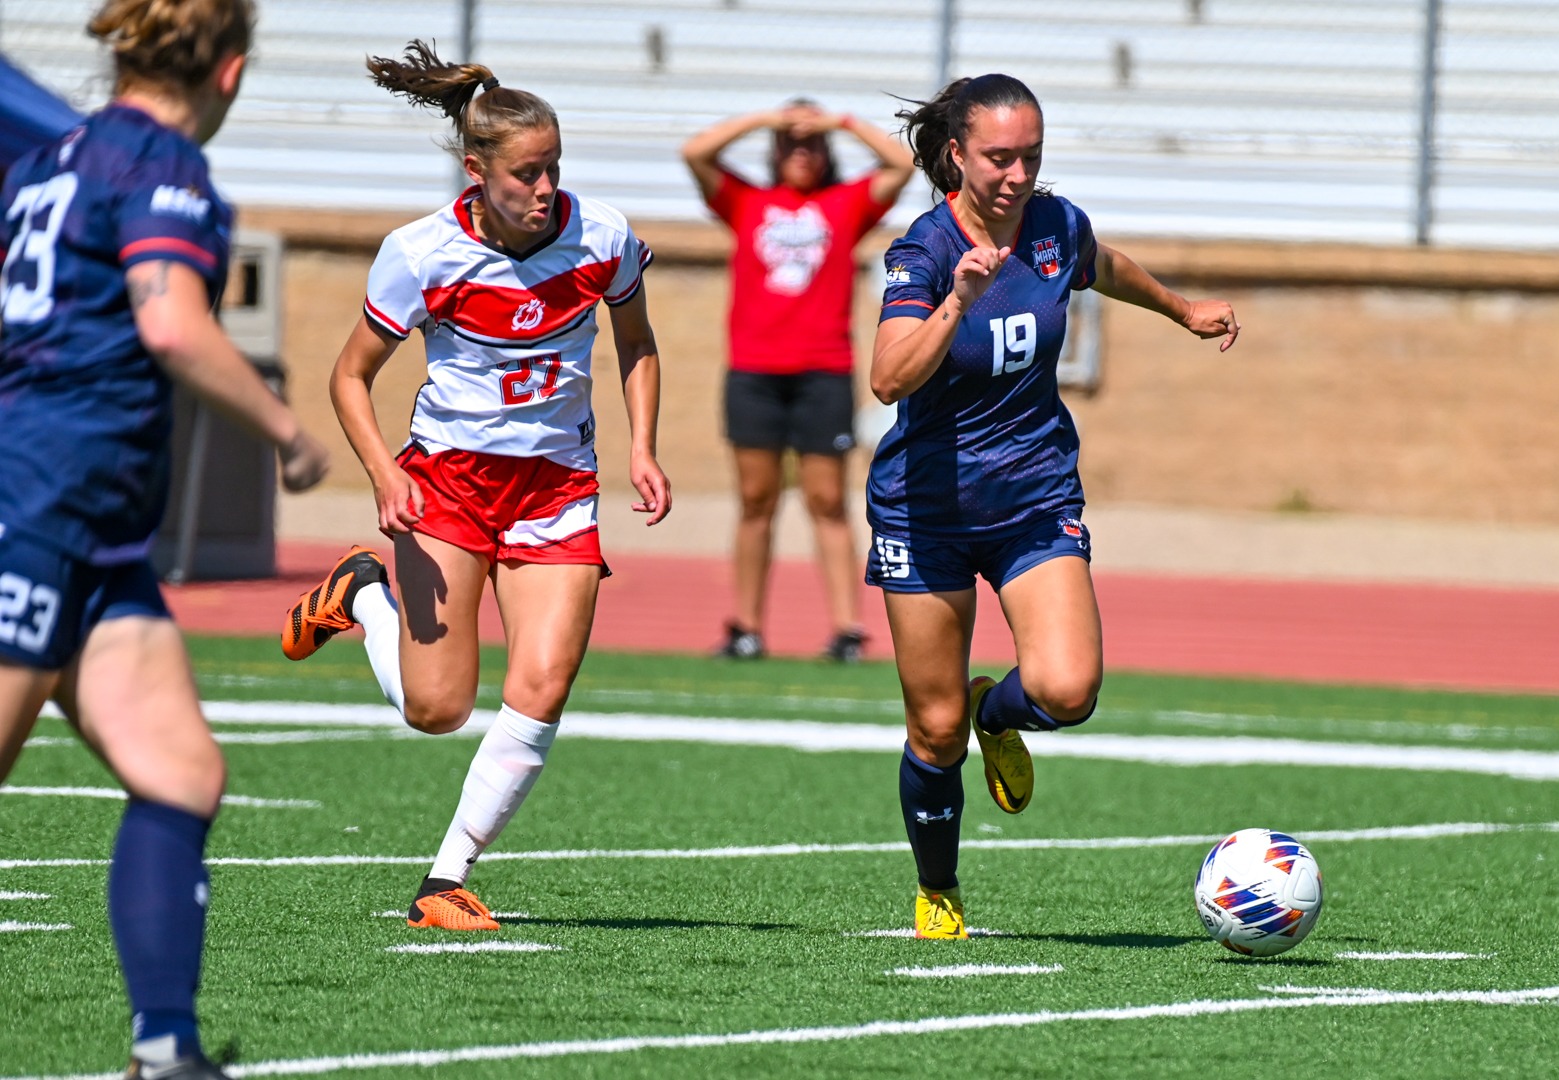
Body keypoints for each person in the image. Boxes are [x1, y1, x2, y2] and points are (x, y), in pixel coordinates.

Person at [0, 1, 332, 1074]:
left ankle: (166, 1050)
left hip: (93, 531)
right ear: (229, 70)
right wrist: (287, 432)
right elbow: (172, 322)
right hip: (39, 510)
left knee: (181, 773)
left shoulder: (47, 160)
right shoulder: (161, 163)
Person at [277, 41, 670, 932]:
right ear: (477, 172)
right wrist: (383, 473)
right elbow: (349, 376)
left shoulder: (603, 237)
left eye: (554, 167)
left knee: (544, 685)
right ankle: (360, 593)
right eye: (527, 173)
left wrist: (643, 448)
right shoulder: (421, 253)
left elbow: (639, 345)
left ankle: (445, 878)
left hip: (557, 490)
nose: (546, 188)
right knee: (437, 709)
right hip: (447, 488)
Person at [870, 74, 1239, 939]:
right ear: (957, 154)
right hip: (926, 511)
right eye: (999, 157)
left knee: (1069, 690)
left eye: (1030, 157)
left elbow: (1101, 265)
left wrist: (1182, 309)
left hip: (1034, 497)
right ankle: (938, 890)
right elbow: (887, 377)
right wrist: (958, 300)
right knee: (934, 729)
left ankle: (996, 713)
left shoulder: (1054, 226)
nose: (1017, 175)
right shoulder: (923, 252)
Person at [682, 100, 914, 661]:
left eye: (812, 144)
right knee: (755, 500)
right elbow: (695, 152)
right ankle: (746, 628)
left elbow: (901, 166)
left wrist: (840, 123)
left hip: (823, 372)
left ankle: (846, 630)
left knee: (828, 500)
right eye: (791, 142)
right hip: (754, 372)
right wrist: (767, 118)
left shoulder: (845, 204)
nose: (802, 152)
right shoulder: (746, 201)